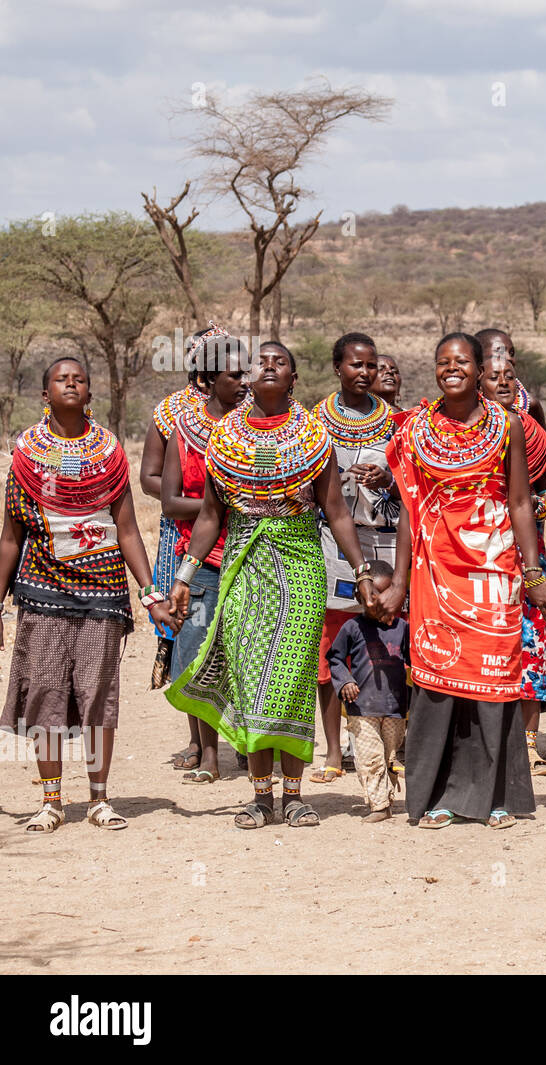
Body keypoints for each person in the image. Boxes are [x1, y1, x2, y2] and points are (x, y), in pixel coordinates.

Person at [167, 340, 381, 829]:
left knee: (292, 680)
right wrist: (185, 574)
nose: (267, 368)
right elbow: (209, 515)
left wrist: (362, 571)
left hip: (300, 567)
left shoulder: (313, 437)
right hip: (244, 569)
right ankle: (261, 797)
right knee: (250, 683)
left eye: (278, 362)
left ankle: (295, 793)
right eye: (258, 363)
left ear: (293, 379)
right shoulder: (224, 437)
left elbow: (336, 512)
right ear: (246, 378)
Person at [380, 332, 546, 830]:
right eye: (442, 361)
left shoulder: (508, 425)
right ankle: (437, 796)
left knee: (494, 678)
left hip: (493, 567)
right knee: (440, 678)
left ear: (480, 369)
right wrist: (398, 582)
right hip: (434, 569)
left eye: (461, 361)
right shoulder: (416, 429)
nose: (450, 368)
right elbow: (410, 512)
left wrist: (533, 569)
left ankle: (497, 796)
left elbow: (521, 502)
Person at [0, 358, 177, 831]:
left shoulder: (110, 454)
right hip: (41, 592)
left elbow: (127, 531)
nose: (72, 382)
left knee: (97, 696)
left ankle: (99, 799)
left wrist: (150, 594)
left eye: (79, 378)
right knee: (45, 695)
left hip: (101, 594)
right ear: (45, 394)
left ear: (91, 393)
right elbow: (11, 537)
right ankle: (51, 802)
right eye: (61, 378)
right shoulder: (26, 456)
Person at [309, 332, 399, 786]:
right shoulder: (314, 422)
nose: (363, 373)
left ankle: (392, 745)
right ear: (337, 367)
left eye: (370, 366)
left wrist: (388, 478)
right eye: (355, 365)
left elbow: (414, 481)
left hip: (388, 539)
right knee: (335, 642)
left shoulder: (396, 423)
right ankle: (332, 749)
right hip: (335, 543)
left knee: (391, 639)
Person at [159, 327, 249, 785]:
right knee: (196, 653)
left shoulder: (259, 429)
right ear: (210, 379)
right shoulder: (185, 434)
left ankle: (247, 747)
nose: (245, 381)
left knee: (243, 655)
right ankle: (209, 755)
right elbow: (170, 501)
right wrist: (225, 503)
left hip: (251, 554)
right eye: (235, 375)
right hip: (200, 558)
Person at [481, 339, 546, 775]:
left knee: (532, 642)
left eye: (509, 374)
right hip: (480, 549)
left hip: (528, 548)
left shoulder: (532, 420)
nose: (505, 381)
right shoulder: (464, 431)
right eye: (494, 377)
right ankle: (490, 743)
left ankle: (529, 745)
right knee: (489, 641)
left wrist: (523, 507)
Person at [325, 560, 410, 822]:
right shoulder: (353, 628)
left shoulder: (403, 629)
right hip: (362, 708)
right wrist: (345, 682)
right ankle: (379, 806)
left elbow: (413, 660)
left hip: (395, 708)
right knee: (369, 758)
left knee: (388, 757)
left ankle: (387, 797)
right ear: (360, 597)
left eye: (389, 597)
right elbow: (335, 659)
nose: (383, 604)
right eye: (375, 597)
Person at [142, 363, 207, 697]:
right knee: (184, 613)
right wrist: (191, 500)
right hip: (180, 525)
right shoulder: (172, 412)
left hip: (237, 528)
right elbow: (149, 478)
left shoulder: (248, 409)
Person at [478, 328, 546, 434]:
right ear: (478, 357)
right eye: (500, 351)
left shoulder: (530, 404)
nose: (510, 358)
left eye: (511, 353)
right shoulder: (463, 406)